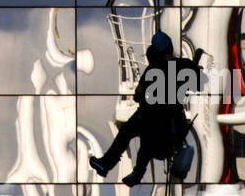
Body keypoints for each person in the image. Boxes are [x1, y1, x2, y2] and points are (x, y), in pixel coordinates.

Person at [88, 31, 205, 187]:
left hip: (163, 130)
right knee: (140, 129)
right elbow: (199, 83)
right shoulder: (182, 66)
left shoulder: (153, 71)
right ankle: (131, 170)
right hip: (167, 130)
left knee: (132, 131)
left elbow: (138, 95)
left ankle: (111, 165)